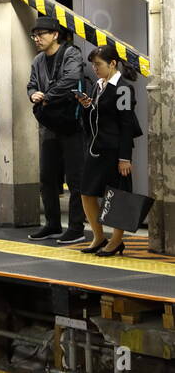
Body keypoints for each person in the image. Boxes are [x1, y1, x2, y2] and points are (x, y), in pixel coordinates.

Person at [26, 15, 87, 244]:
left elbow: (72, 79)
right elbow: (31, 83)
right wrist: (33, 94)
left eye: (41, 34)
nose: (37, 39)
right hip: (48, 124)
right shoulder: (38, 60)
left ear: (55, 35)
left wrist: (47, 97)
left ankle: (76, 227)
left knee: (75, 178)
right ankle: (52, 224)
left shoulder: (71, 54)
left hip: (71, 125)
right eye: (35, 35)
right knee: (47, 177)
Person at [77, 45, 143, 256]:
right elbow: (98, 117)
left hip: (115, 150)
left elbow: (126, 125)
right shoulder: (98, 85)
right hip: (96, 147)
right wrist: (88, 106)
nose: (95, 68)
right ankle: (98, 236)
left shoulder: (123, 89)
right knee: (86, 192)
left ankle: (116, 240)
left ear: (112, 63)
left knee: (117, 196)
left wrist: (125, 157)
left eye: (98, 64)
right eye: (93, 65)